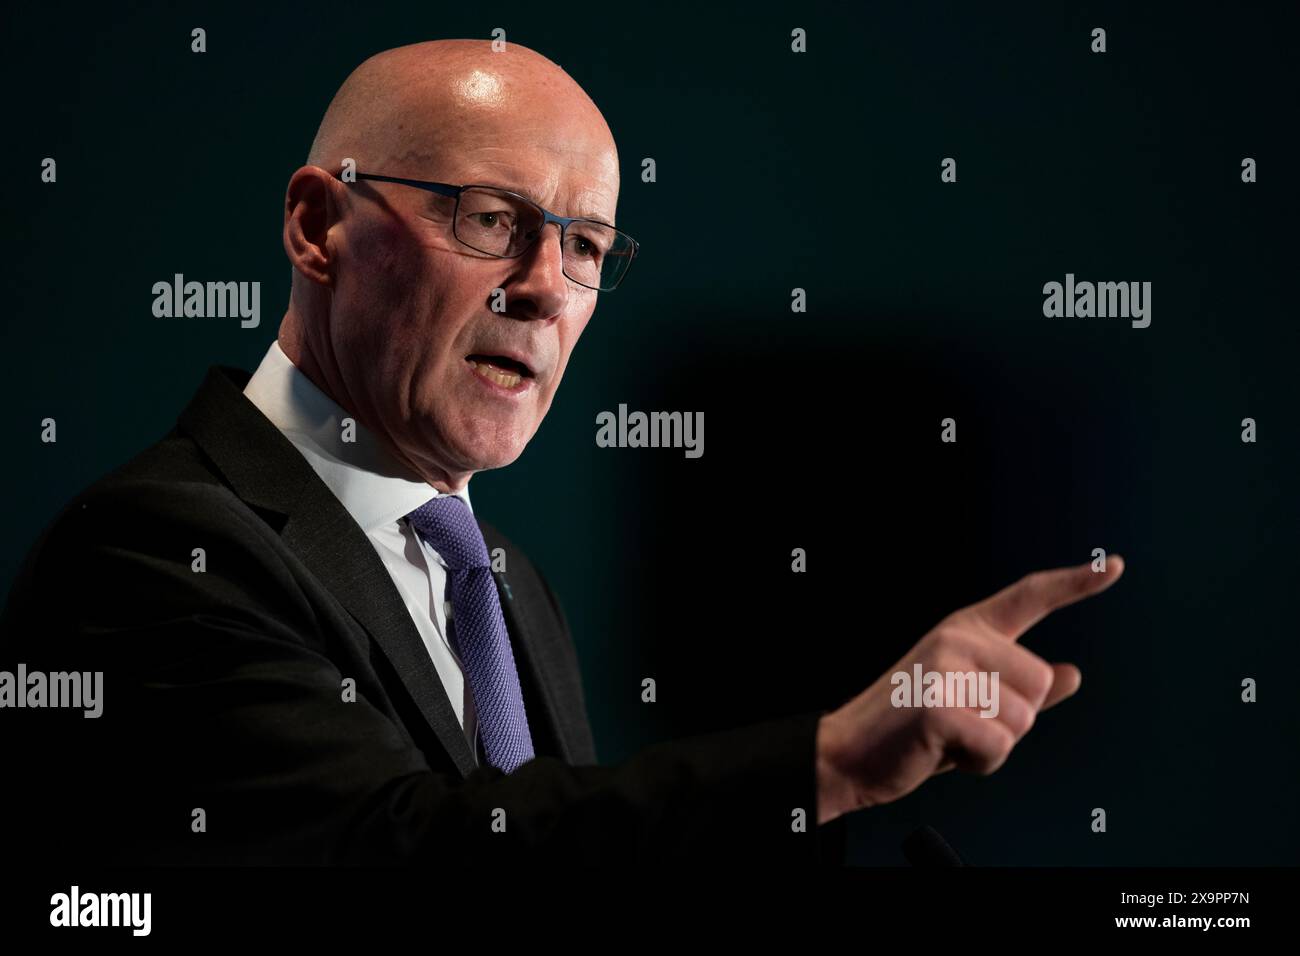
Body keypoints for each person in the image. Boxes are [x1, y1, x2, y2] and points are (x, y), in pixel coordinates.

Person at [0, 39, 1124, 865]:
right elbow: (401, 859)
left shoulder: (501, 582)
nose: (544, 287)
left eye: (583, 243)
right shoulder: (155, 548)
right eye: (490, 219)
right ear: (316, 226)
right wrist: (827, 758)